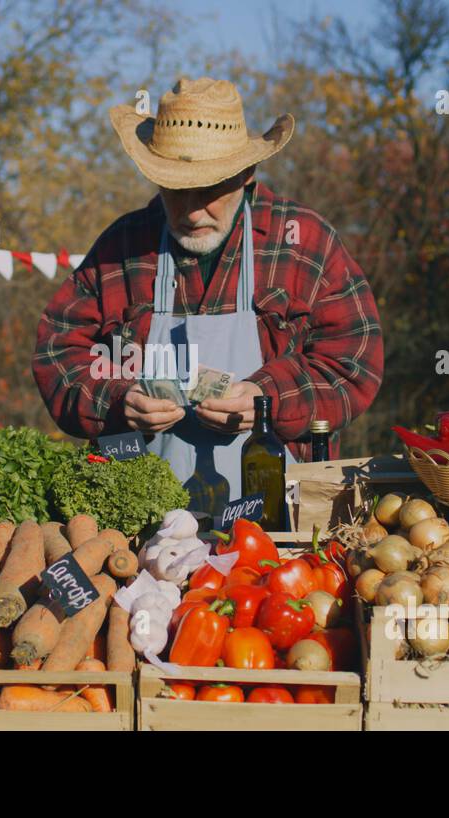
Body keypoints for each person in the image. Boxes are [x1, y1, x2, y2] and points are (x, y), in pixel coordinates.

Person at [32, 77, 382, 504]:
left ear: (247, 175)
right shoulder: (122, 247)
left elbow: (353, 364)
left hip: (282, 517)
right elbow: (57, 352)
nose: (192, 211)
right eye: (176, 190)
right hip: (139, 520)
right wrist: (118, 400)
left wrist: (267, 400)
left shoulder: (303, 243)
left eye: (211, 189)